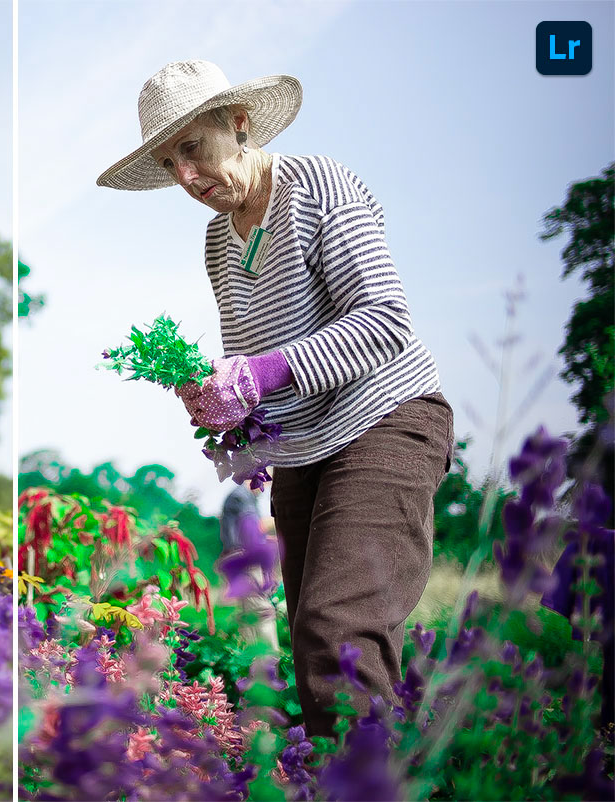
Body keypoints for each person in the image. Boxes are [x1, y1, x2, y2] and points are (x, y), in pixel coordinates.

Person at [97, 60, 454, 738]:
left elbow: (384, 319)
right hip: (307, 449)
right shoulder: (217, 242)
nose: (187, 179)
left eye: (193, 150)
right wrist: (226, 406)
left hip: (388, 419)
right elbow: (262, 371)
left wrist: (260, 373)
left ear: (238, 124)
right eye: (171, 163)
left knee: (339, 628)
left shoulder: (319, 185)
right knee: (313, 640)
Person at [220, 482, 281, 651]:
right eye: (265, 482)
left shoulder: (245, 497)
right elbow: (253, 528)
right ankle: (269, 663)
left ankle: (256, 664)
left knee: (250, 615)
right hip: (246, 561)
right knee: (262, 612)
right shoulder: (241, 496)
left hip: (243, 560)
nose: (265, 488)